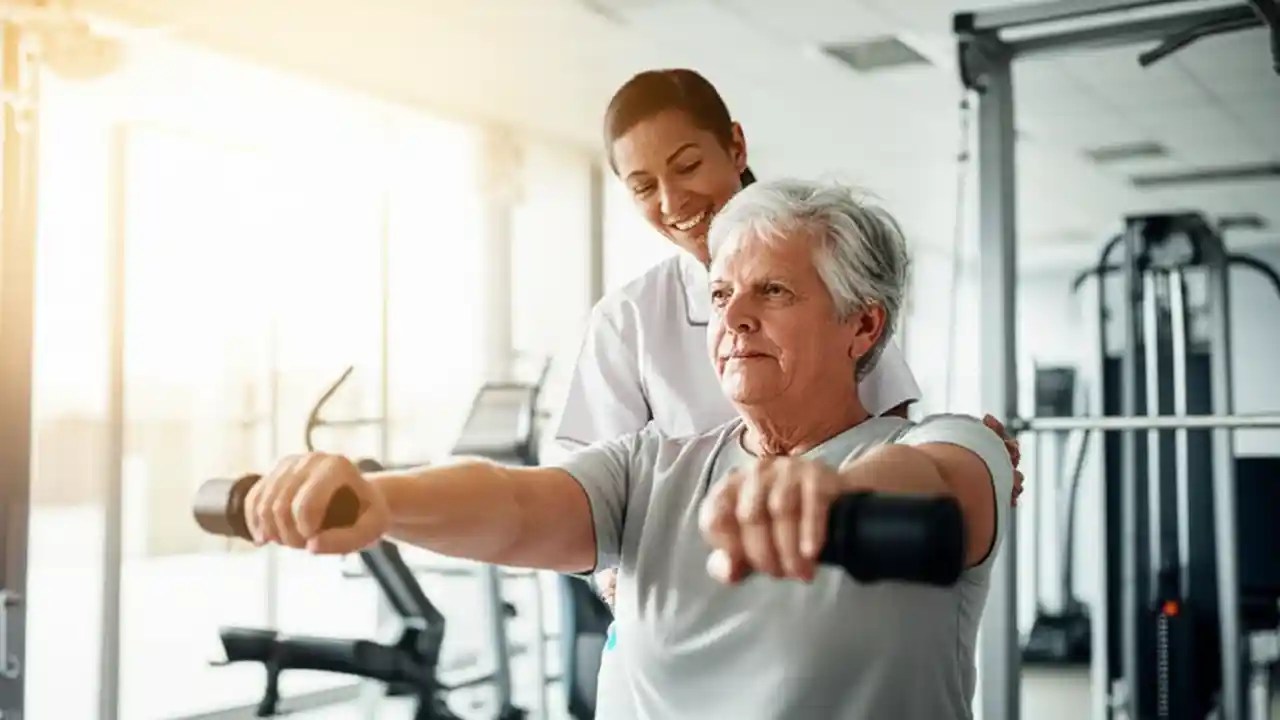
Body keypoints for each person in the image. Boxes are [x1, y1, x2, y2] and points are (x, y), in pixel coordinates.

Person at [244, 178, 1016, 718]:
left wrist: (838, 493)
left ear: (863, 326)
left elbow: (937, 480)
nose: (735, 317)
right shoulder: (651, 467)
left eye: (774, 292)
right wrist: (379, 499)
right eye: (721, 295)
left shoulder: (950, 443)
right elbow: (517, 505)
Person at [557, 67, 1023, 714]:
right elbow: (593, 509)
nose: (670, 201)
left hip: (820, 612)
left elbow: (889, 444)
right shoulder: (628, 320)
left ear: (737, 148)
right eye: (643, 187)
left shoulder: (828, 265)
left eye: (687, 165)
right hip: (672, 629)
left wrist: (965, 470)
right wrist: (666, 606)